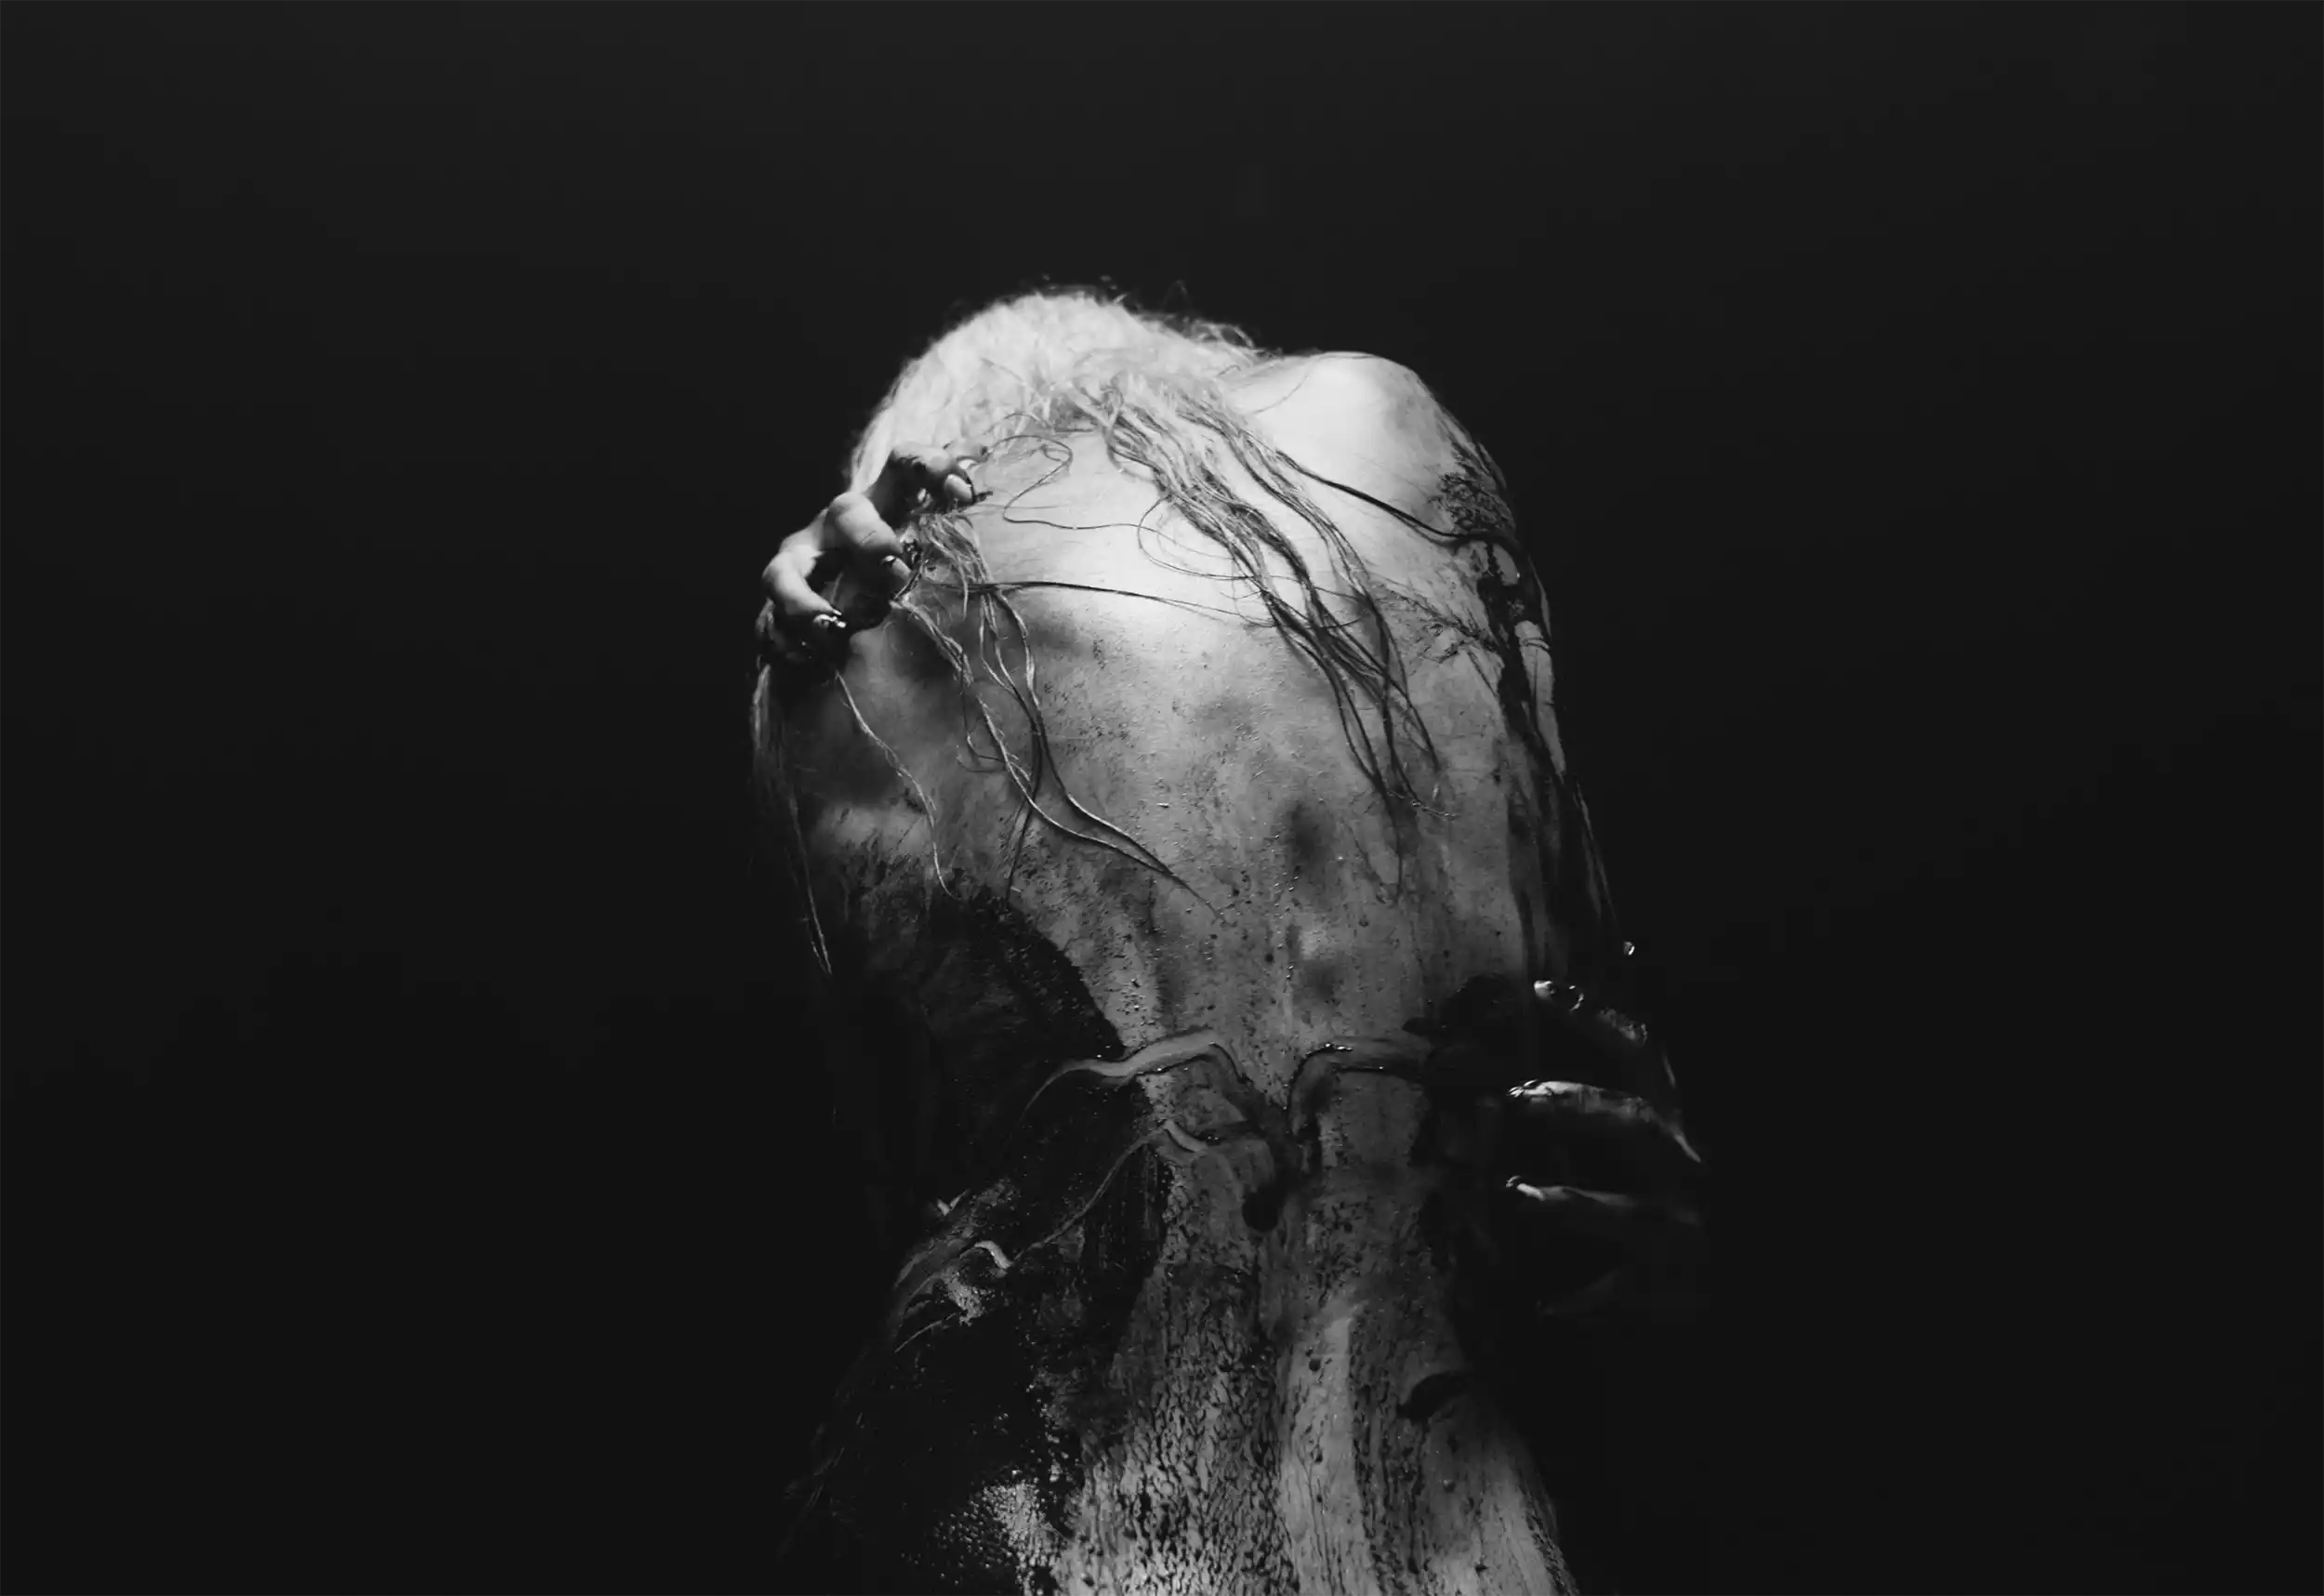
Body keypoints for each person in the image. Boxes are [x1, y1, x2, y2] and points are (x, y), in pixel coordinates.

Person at [753, 289, 1697, 1593]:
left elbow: (883, 1188)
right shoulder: (1389, 431)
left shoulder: (847, 659)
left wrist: (796, 692)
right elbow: (1592, 1037)